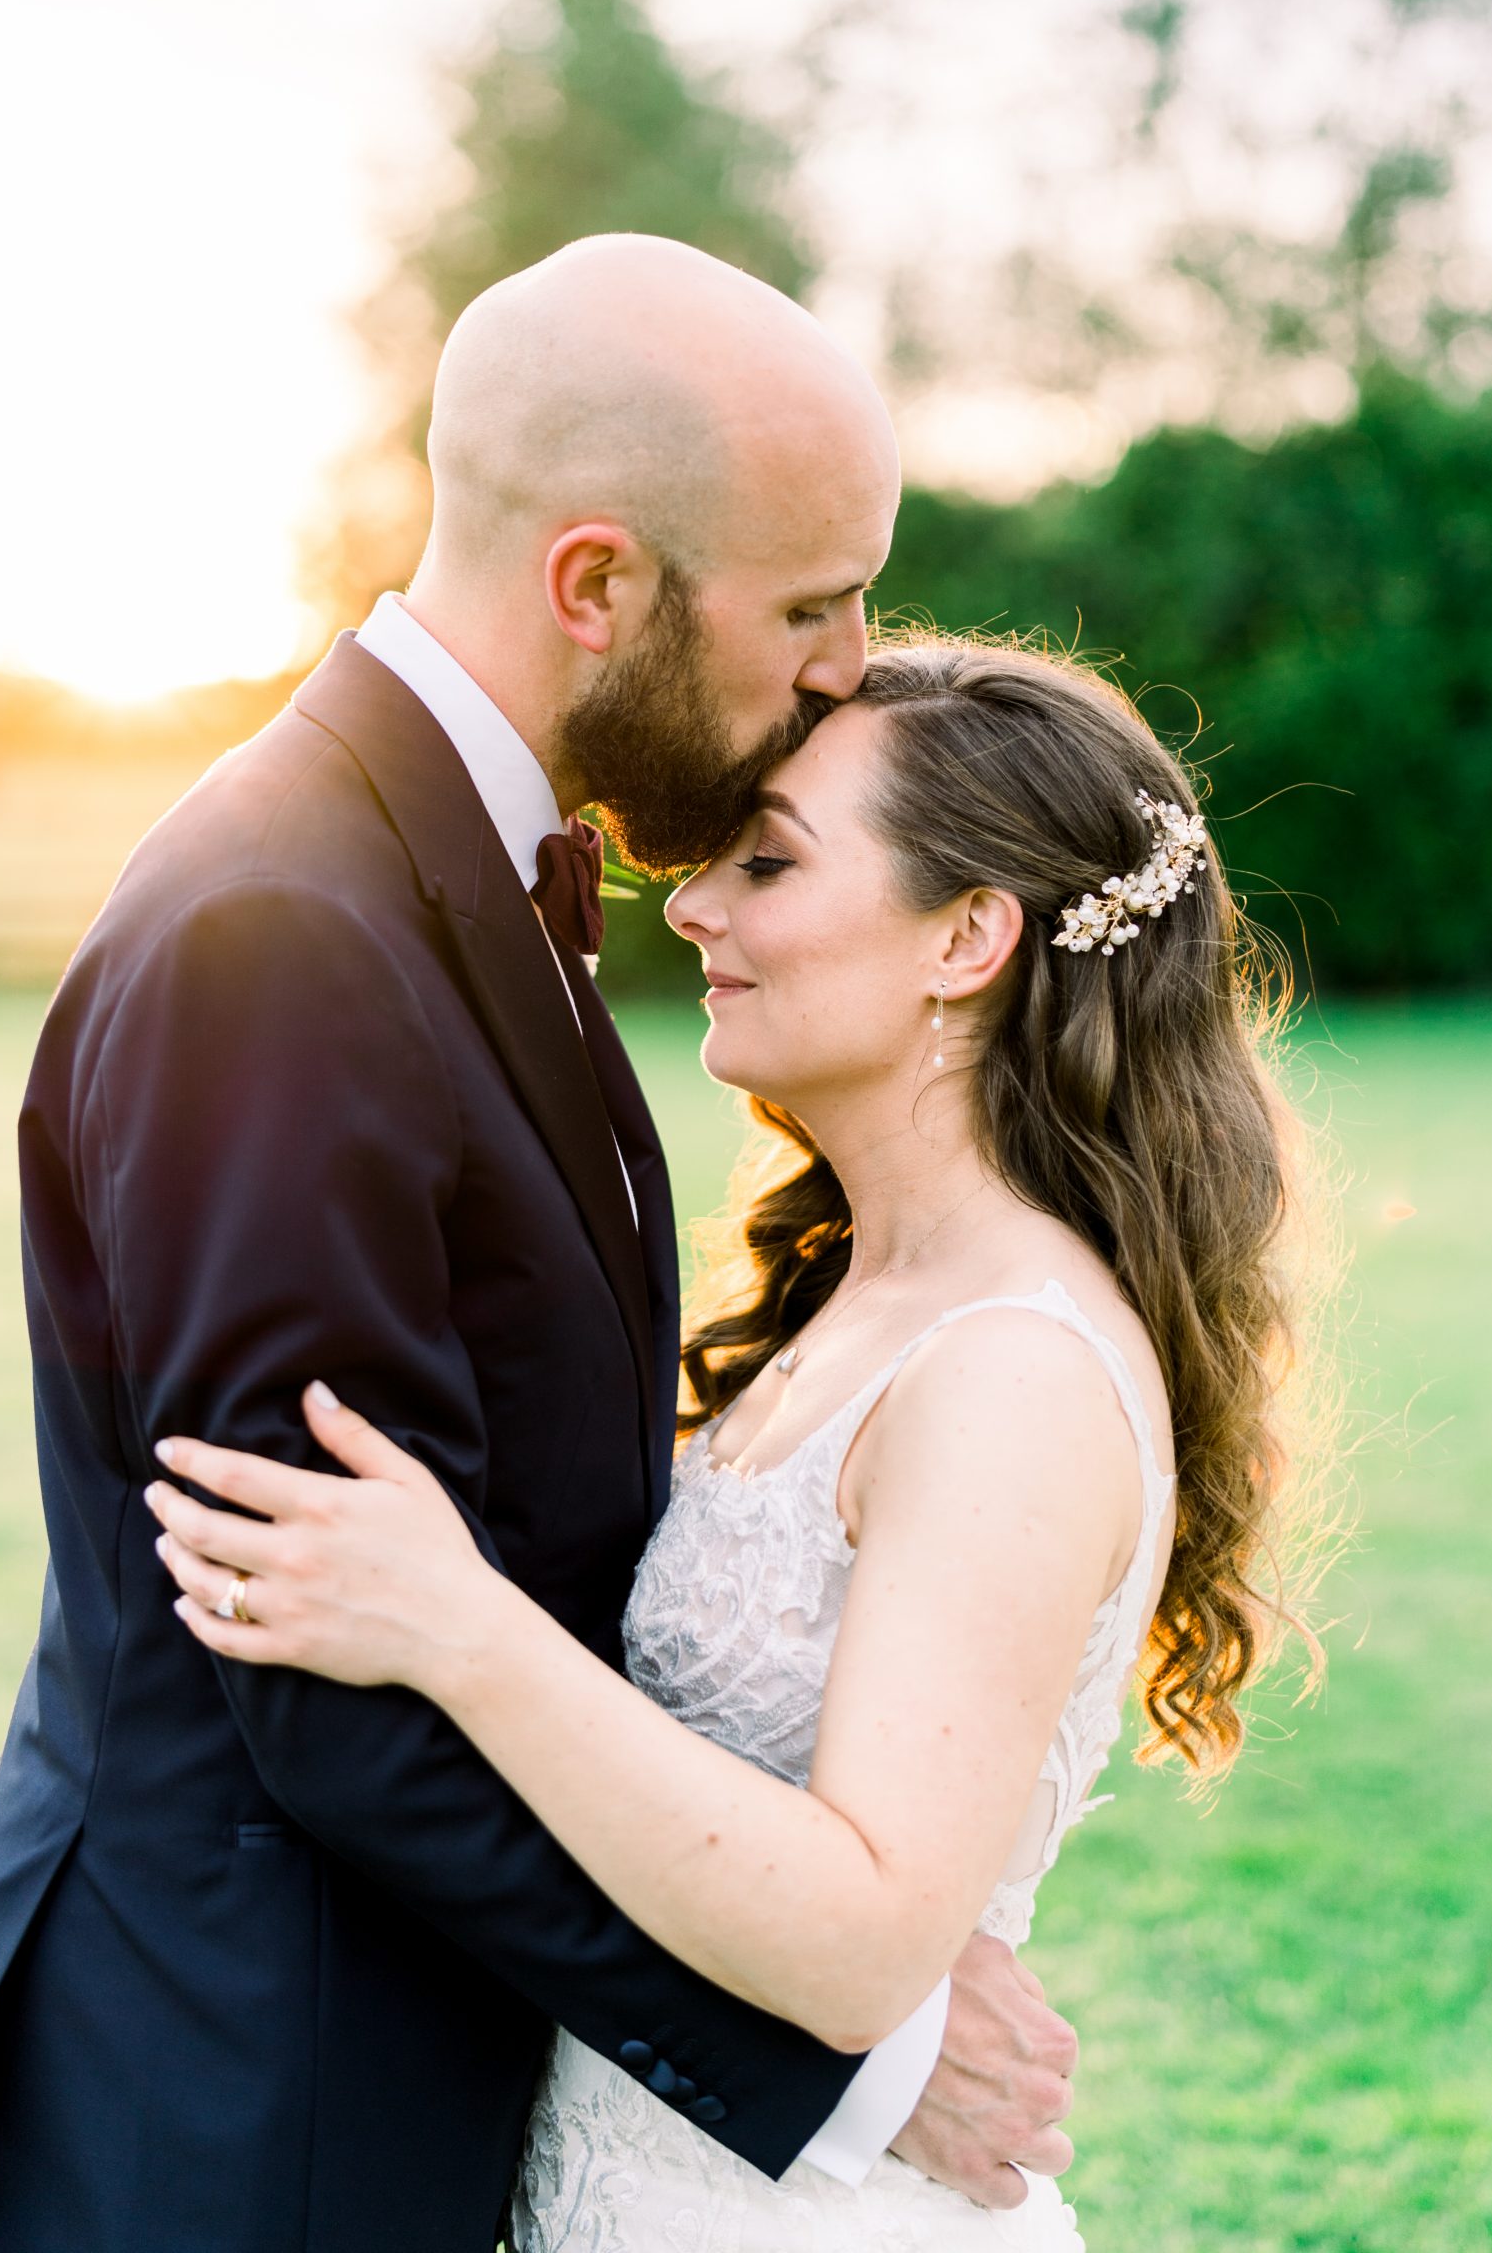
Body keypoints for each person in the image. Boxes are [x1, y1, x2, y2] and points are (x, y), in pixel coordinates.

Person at [0, 239, 1076, 2253]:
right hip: (246, 2111)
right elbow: (318, 1669)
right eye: (808, 603)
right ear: (596, 584)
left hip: (414, 2072)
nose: (842, 664)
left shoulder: (465, 874)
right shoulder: (283, 926)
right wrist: (834, 2042)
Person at [147, 632, 1325, 2249]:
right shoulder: (857, 1298)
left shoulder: (1013, 1373)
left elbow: (860, 1943)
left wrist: (456, 1624)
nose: (692, 905)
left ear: (969, 937)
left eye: (767, 862)